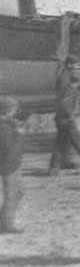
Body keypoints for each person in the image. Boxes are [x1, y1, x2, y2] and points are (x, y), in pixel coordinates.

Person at [0, 97, 26, 233]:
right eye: (14, 111)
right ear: (7, 111)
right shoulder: (3, 128)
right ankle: (6, 225)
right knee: (11, 195)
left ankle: (4, 220)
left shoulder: (6, 125)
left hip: (11, 164)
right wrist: (20, 135)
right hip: (9, 165)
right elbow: (9, 150)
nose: (15, 113)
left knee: (19, 191)